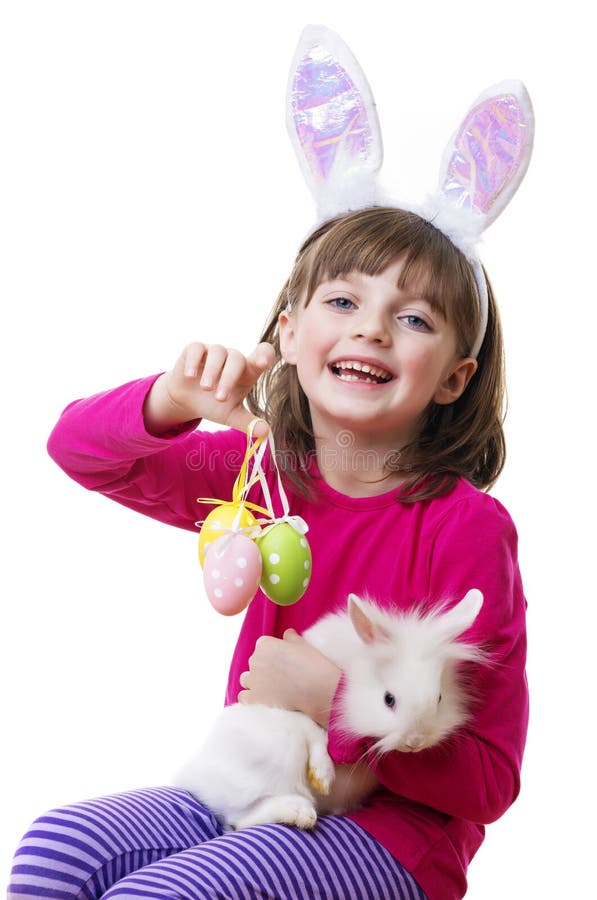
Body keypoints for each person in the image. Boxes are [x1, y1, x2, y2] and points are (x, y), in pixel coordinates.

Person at [7, 205, 528, 900]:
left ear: (452, 379)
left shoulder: (464, 528)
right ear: (288, 333)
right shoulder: (260, 474)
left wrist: (331, 699)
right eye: (342, 300)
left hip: (391, 836)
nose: (370, 328)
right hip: (250, 785)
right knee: (57, 850)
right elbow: (77, 451)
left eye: (413, 320)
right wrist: (168, 400)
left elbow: (488, 781)